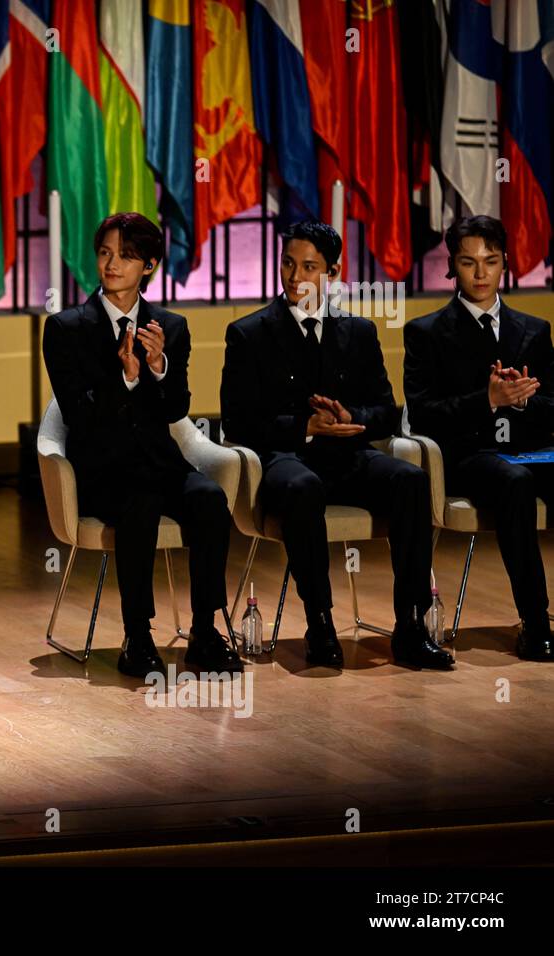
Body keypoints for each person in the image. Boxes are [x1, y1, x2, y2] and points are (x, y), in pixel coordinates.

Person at [220, 220, 451, 670]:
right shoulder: (249, 334)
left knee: (410, 480)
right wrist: (305, 426)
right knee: (303, 486)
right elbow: (238, 422)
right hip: (286, 460)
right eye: (288, 263)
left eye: (309, 267)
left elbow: (386, 412)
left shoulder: (359, 332)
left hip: (348, 456)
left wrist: (352, 419)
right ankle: (320, 622)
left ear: (333, 273)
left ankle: (410, 624)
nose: (294, 276)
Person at [42, 212, 242, 678]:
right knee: (140, 501)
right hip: (102, 469)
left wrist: (157, 367)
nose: (112, 265)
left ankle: (205, 631)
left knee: (210, 499)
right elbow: (78, 415)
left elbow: (176, 410)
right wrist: (126, 381)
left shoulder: (170, 326)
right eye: (105, 253)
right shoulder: (67, 328)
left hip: (159, 463)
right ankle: (138, 635)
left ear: (148, 266)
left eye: (126, 256)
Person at [403, 215, 554, 661]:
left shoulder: (534, 330)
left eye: (490, 261)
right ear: (452, 266)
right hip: (471, 459)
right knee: (513, 480)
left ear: (505, 262)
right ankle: (535, 620)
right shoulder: (426, 333)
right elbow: (425, 417)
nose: (481, 273)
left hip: (531, 451)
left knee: (524, 471)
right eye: (469, 263)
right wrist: (486, 399)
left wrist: (523, 401)